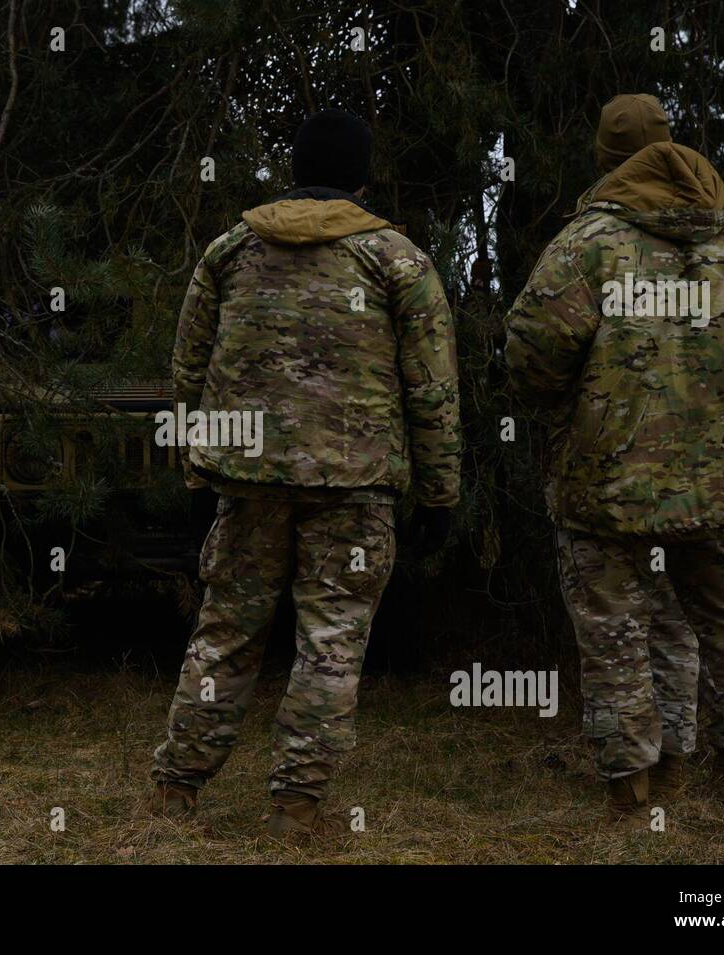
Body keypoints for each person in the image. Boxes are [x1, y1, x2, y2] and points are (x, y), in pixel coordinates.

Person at [503, 93, 724, 838]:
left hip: (609, 484)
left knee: (615, 635)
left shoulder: (586, 242)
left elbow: (531, 355)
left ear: (602, 159)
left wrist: (582, 412)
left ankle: (631, 804)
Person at [148, 108, 461, 839]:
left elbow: (187, 370)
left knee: (223, 631)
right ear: (361, 175)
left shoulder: (230, 250)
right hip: (354, 483)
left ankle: (174, 790)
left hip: (246, 476)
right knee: (333, 639)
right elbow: (433, 387)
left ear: (294, 169)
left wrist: (197, 472)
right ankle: (295, 806)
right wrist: (440, 493)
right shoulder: (397, 260)